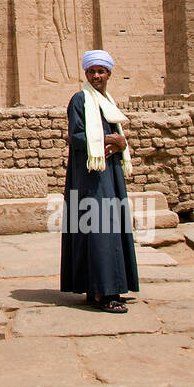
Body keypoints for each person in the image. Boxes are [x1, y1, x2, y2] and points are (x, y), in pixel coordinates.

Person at [60, 50, 139, 312]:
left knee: (110, 228)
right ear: (85, 74)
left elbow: (117, 136)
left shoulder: (107, 102)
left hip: (109, 172)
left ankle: (104, 286)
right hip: (90, 177)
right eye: (92, 71)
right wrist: (110, 140)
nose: (96, 75)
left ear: (108, 74)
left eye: (101, 71)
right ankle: (103, 294)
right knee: (99, 231)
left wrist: (120, 142)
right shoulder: (80, 100)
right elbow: (76, 137)